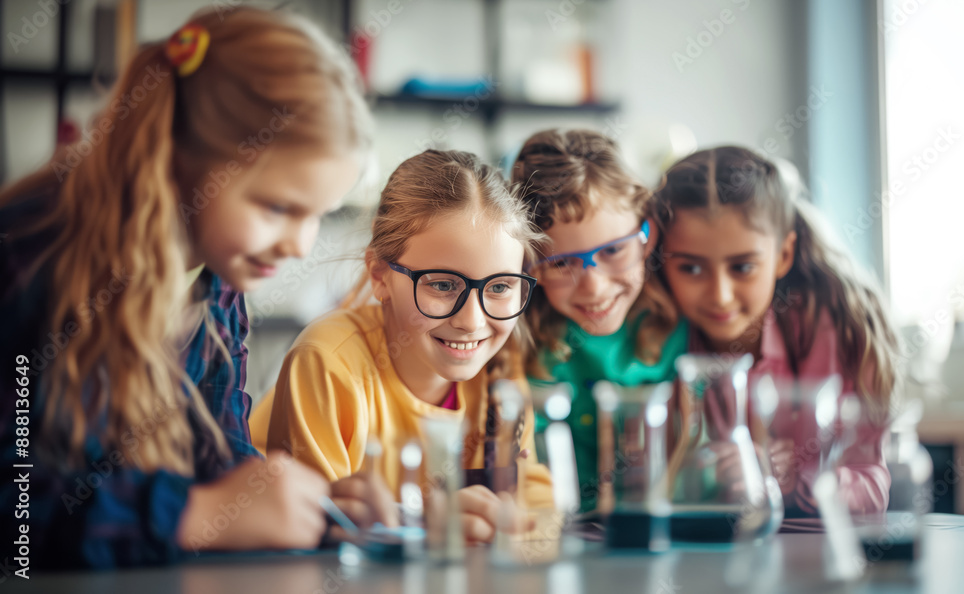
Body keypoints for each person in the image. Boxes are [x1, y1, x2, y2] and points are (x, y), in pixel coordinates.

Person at [0, 7, 389, 568]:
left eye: (318, 215)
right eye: (278, 207)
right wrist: (194, 514)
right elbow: (16, 512)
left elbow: (221, 465)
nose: (300, 246)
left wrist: (315, 512)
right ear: (183, 159)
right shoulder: (28, 255)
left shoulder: (220, 281)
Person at [254, 150, 554, 545]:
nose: (472, 321)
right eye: (443, 285)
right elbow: (312, 535)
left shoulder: (502, 375)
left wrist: (516, 524)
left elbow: (537, 505)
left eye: (499, 287)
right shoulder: (328, 361)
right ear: (380, 276)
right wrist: (423, 525)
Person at [652, 145, 900, 516]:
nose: (720, 295)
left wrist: (797, 477)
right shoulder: (659, 341)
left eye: (742, 267)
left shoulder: (836, 331)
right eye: (691, 268)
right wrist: (709, 479)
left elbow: (872, 489)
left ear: (783, 255)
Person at [510, 129, 687, 514]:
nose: (593, 287)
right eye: (561, 263)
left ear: (648, 234)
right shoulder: (522, 345)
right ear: (530, 266)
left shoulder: (680, 325)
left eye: (613, 251)